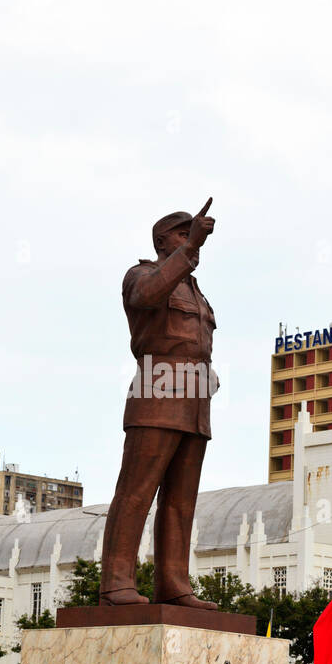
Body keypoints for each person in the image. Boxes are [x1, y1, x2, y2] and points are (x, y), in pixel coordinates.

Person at [99, 199, 219, 608]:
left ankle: (174, 584)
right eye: (182, 234)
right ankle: (116, 583)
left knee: (182, 499)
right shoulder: (143, 274)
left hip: (195, 399)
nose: (191, 240)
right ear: (161, 241)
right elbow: (148, 297)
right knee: (137, 490)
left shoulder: (196, 293)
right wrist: (189, 252)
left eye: (193, 233)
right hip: (157, 389)